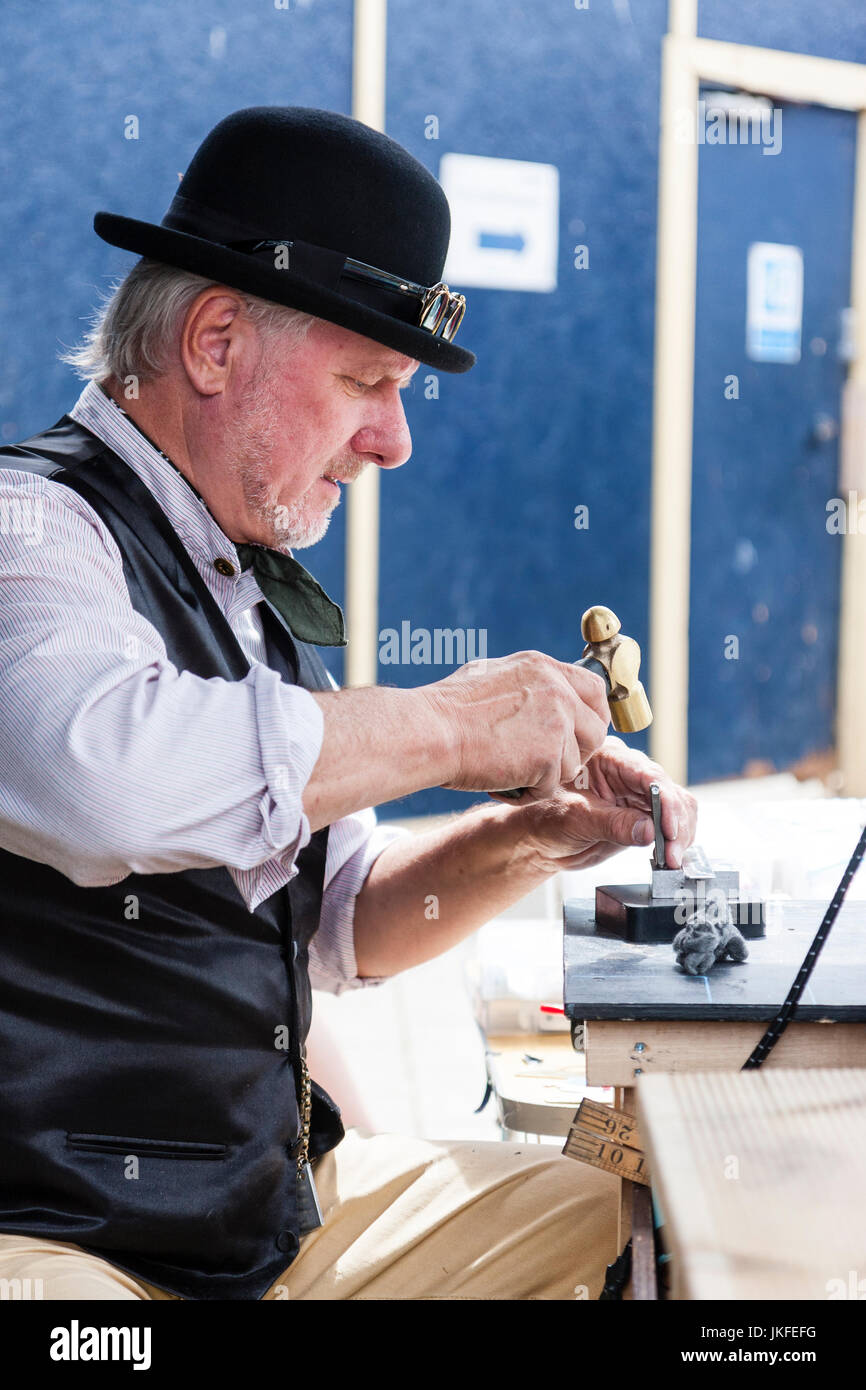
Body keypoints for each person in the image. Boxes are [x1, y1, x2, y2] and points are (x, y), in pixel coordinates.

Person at [0, 106, 696, 1301]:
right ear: (215, 343)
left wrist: (528, 833)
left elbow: (344, 924)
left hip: (258, 1224)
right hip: (58, 1242)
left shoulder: (250, 594)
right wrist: (456, 724)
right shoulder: (32, 530)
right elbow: (105, 776)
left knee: (632, 1214)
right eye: (369, 381)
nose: (393, 440)